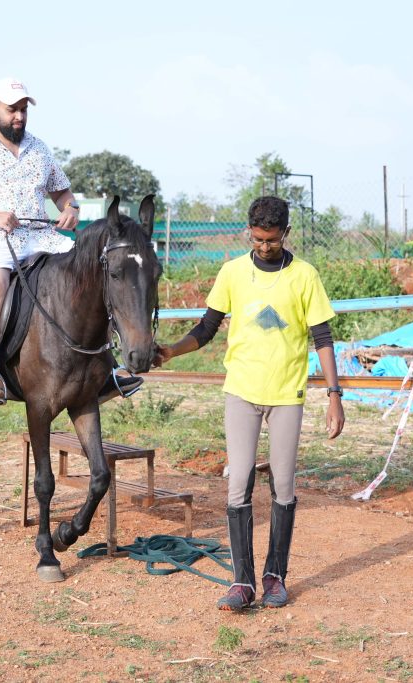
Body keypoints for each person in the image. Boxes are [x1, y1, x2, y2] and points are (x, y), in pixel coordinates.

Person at [153, 196, 345, 611]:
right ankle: (242, 582)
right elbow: (206, 329)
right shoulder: (232, 273)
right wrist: (170, 350)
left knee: (284, 484)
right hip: (241, 392)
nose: (263, 246)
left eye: (271, 240)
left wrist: (334, 395)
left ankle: (275, 577)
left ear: (285, 234)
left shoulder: (304, 276)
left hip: (286, 395)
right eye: (257, 239)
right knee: (238, 481)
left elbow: (323, 339)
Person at [0, 77, 141, 410]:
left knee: (92, 274)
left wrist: (69, 208)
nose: (19, 116)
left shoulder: (39, 148)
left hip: (40, 235)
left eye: (23, 110)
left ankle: (109, 368)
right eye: (12, 109)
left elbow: (62, 192)